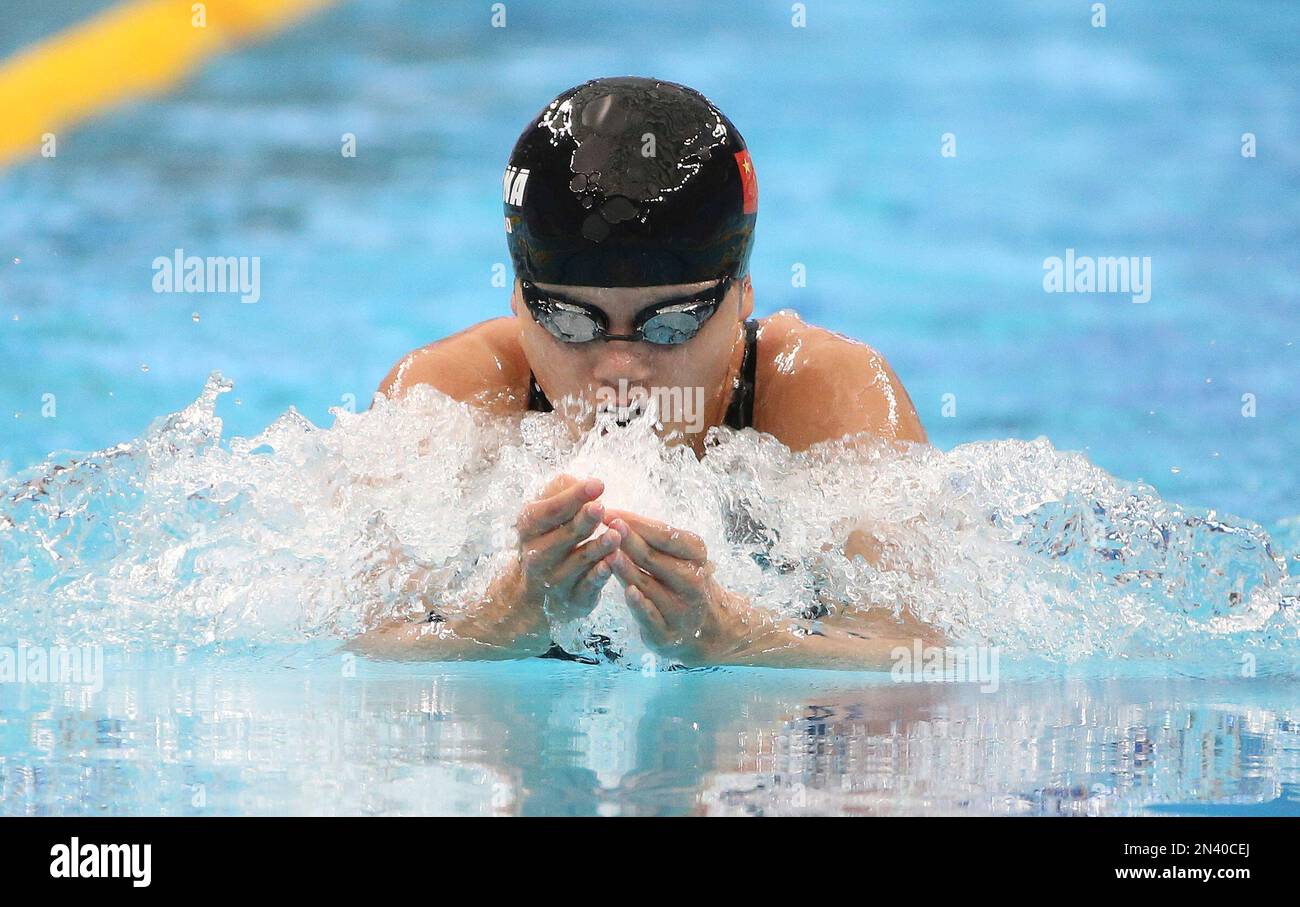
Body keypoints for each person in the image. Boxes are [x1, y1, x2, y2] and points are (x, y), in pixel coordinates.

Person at [358, 77, 937, 669]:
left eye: (672, 324)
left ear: (742, 296)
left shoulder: (822, 394)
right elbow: (357, 650)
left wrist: (736, 637)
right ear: (518, 301)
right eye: (571, 322)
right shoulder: (450, 398)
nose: (620, 366)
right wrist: (504, 618)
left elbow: (926, 660)